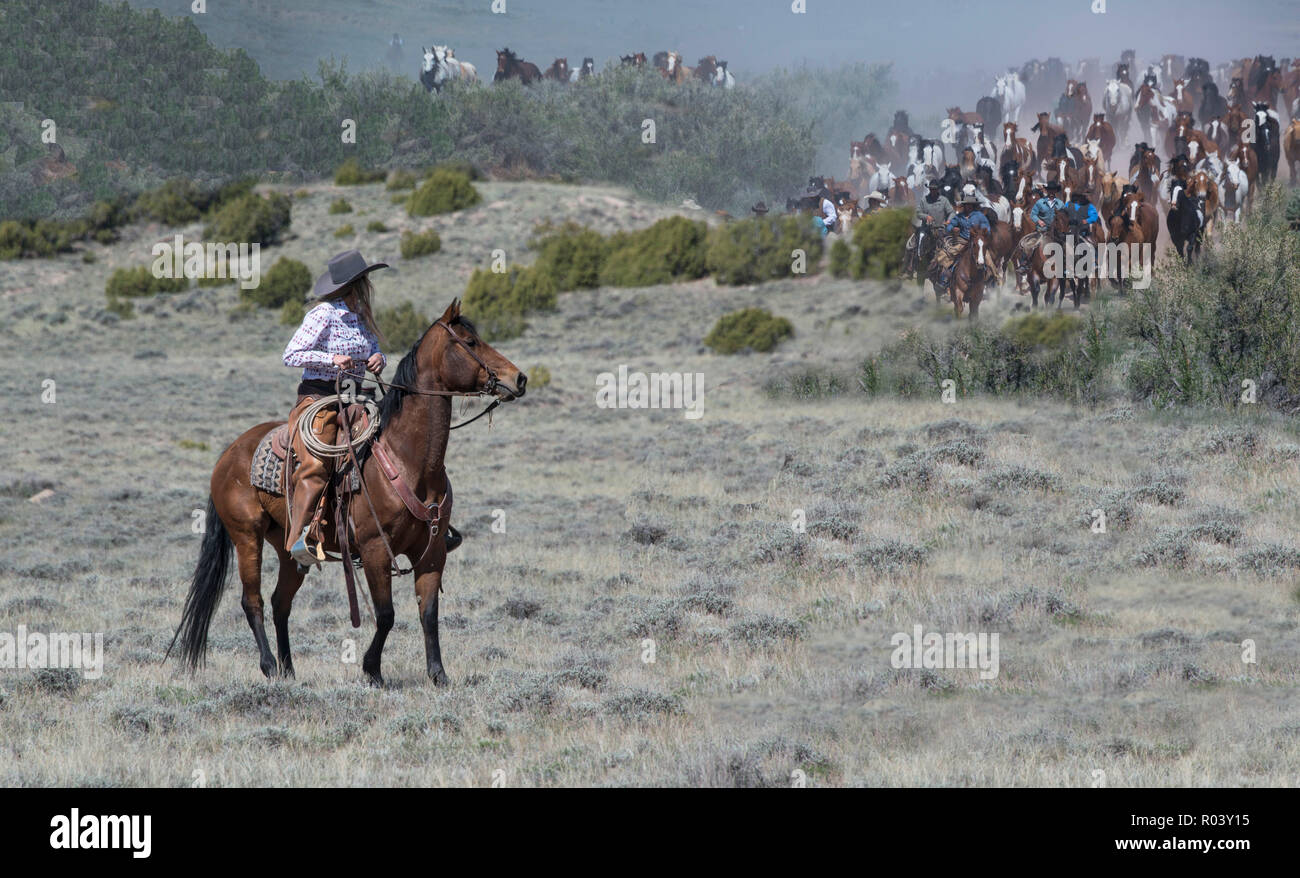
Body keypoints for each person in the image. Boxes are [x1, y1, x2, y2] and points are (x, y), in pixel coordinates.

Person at [282, 250, 389, 565]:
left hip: (355, 398)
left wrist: (378, 359)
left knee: (393, 447)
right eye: (364, 281)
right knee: (317, 464)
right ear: (355, 285)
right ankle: (300, 541)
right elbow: (291, 354)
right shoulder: (323, 314)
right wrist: (330, 359)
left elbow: (373, 347)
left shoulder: (359, 318)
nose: (368, 286)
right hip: (319, 399)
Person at [932, 192, 990, 289]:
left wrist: (982, 231)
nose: (969, 207)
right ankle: (945, 278)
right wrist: (952, 229)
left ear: (974, 205)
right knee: (948, 255)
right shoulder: (959, 216)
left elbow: (986, 226)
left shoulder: (979, 215)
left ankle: (992, 279)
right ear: (964, 205)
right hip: (962, 241)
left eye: (971, 205)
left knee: (988, 259)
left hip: (977, 241)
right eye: (967, 205)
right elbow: (950, 226)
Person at [1016, 179, 1066, 273]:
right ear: (1047, 191)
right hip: (1042, 231)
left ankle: (1068, 267)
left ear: (1056, 191)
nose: (1051, 192)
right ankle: (1025, 264)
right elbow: (1033, 215)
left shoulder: (1060, 204)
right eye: (1050, 190)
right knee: (1027, 244)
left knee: (1069, 246)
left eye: (1053, 190)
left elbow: (1064, 216)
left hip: (1058, 233)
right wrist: (1039, 220)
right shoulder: (1040, 203)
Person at [905, 179, 953, 276]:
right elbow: (918, 213)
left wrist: (948, 221)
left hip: (940, 228)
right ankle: (913, 262)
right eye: (931, 189)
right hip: (926, 228)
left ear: (938, 189)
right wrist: (926, 216)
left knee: (948, 245)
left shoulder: (944, 200)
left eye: (934, 189)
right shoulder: (924, 200)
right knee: (916, 240)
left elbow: (951, 212)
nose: (933, 191)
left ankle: (949, 266)